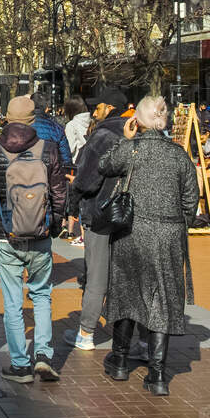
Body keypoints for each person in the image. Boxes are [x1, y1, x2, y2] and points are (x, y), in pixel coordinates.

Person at [95, 95, 200, 396]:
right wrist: (177, 224)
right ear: (164, 119)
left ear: (138, 120)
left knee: (126, 293)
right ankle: (157, 375)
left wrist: (122, 138)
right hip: (167, 233)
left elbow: (105, 165)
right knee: (163, 299)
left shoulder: (132, 149)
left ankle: (119, 361)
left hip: (132, 232)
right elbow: (190, 201)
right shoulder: (179, 156)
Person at [0, 96, 68, 383]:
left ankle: (19, 364)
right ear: (32, 120)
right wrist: (54, 224)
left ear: (6, 117)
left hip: (7, 235)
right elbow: (59, 193)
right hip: (40, 233)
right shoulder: (49, 149)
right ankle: (43, 355)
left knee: (12, 300)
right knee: (42, 295)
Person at [69, 90, 131, 350]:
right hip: (130, 215)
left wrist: (73, 200)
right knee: (127, 275)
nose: (93, 112)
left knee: (96, 275)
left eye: (98, 107)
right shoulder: (138, 135)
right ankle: (129, 338)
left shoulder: (103, 136)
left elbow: (87, 179)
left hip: (101, 214)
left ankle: (87, 332)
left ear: (109, 108)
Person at [30, 92, 73, 170]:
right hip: (51, 174)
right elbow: (66, 159)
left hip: (25, 173)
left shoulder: (22, 125)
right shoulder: (57, 128)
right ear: (46, 108)